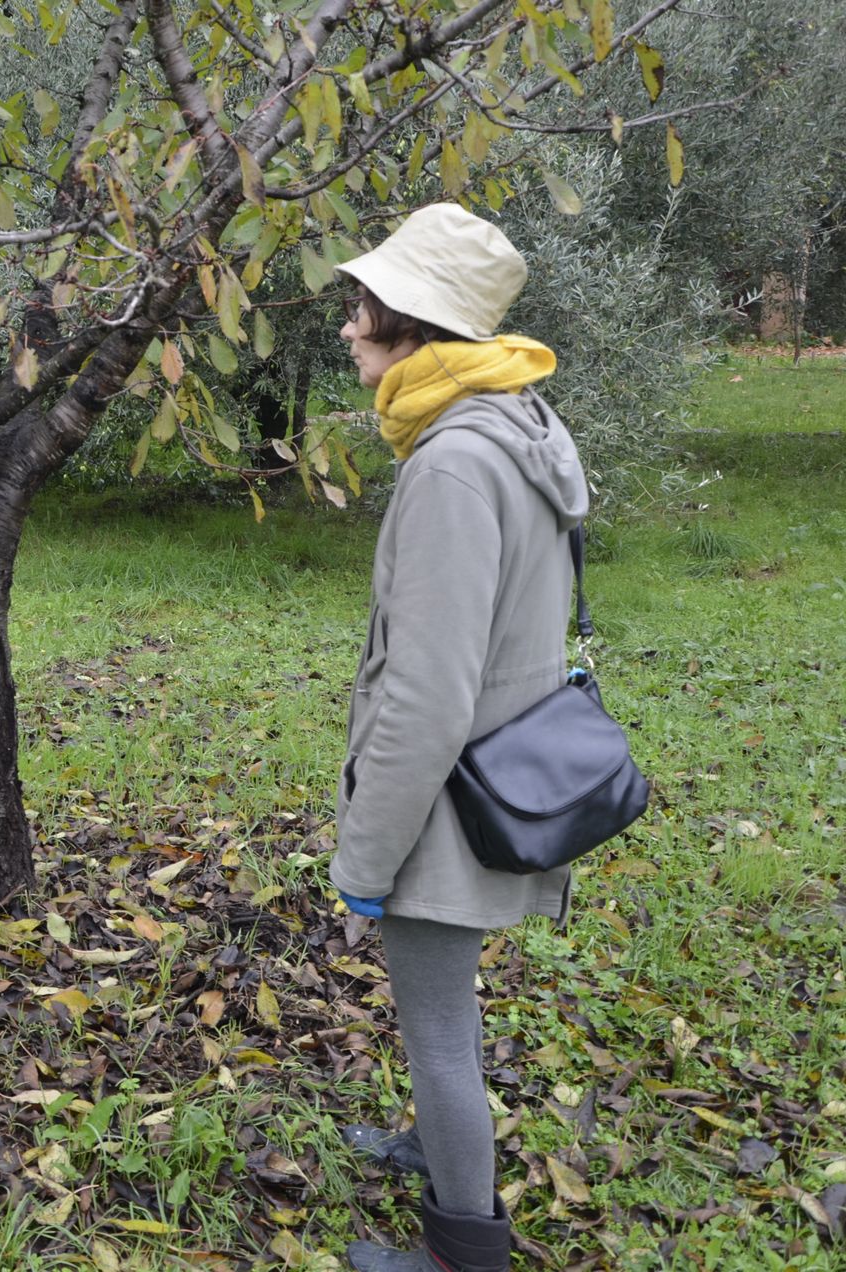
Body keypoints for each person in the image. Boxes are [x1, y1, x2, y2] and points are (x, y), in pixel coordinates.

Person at [325, 204, 588, 1272]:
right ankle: (439, 1146)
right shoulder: (515, 418)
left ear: (417, 325)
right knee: (447, 1017)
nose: (348, 327)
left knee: (437, 1032)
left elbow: (426, 696)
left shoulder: (450, 465)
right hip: (498, 764)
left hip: (445, 798)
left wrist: (365, 858)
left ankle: (461, 1245)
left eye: (364, 308)